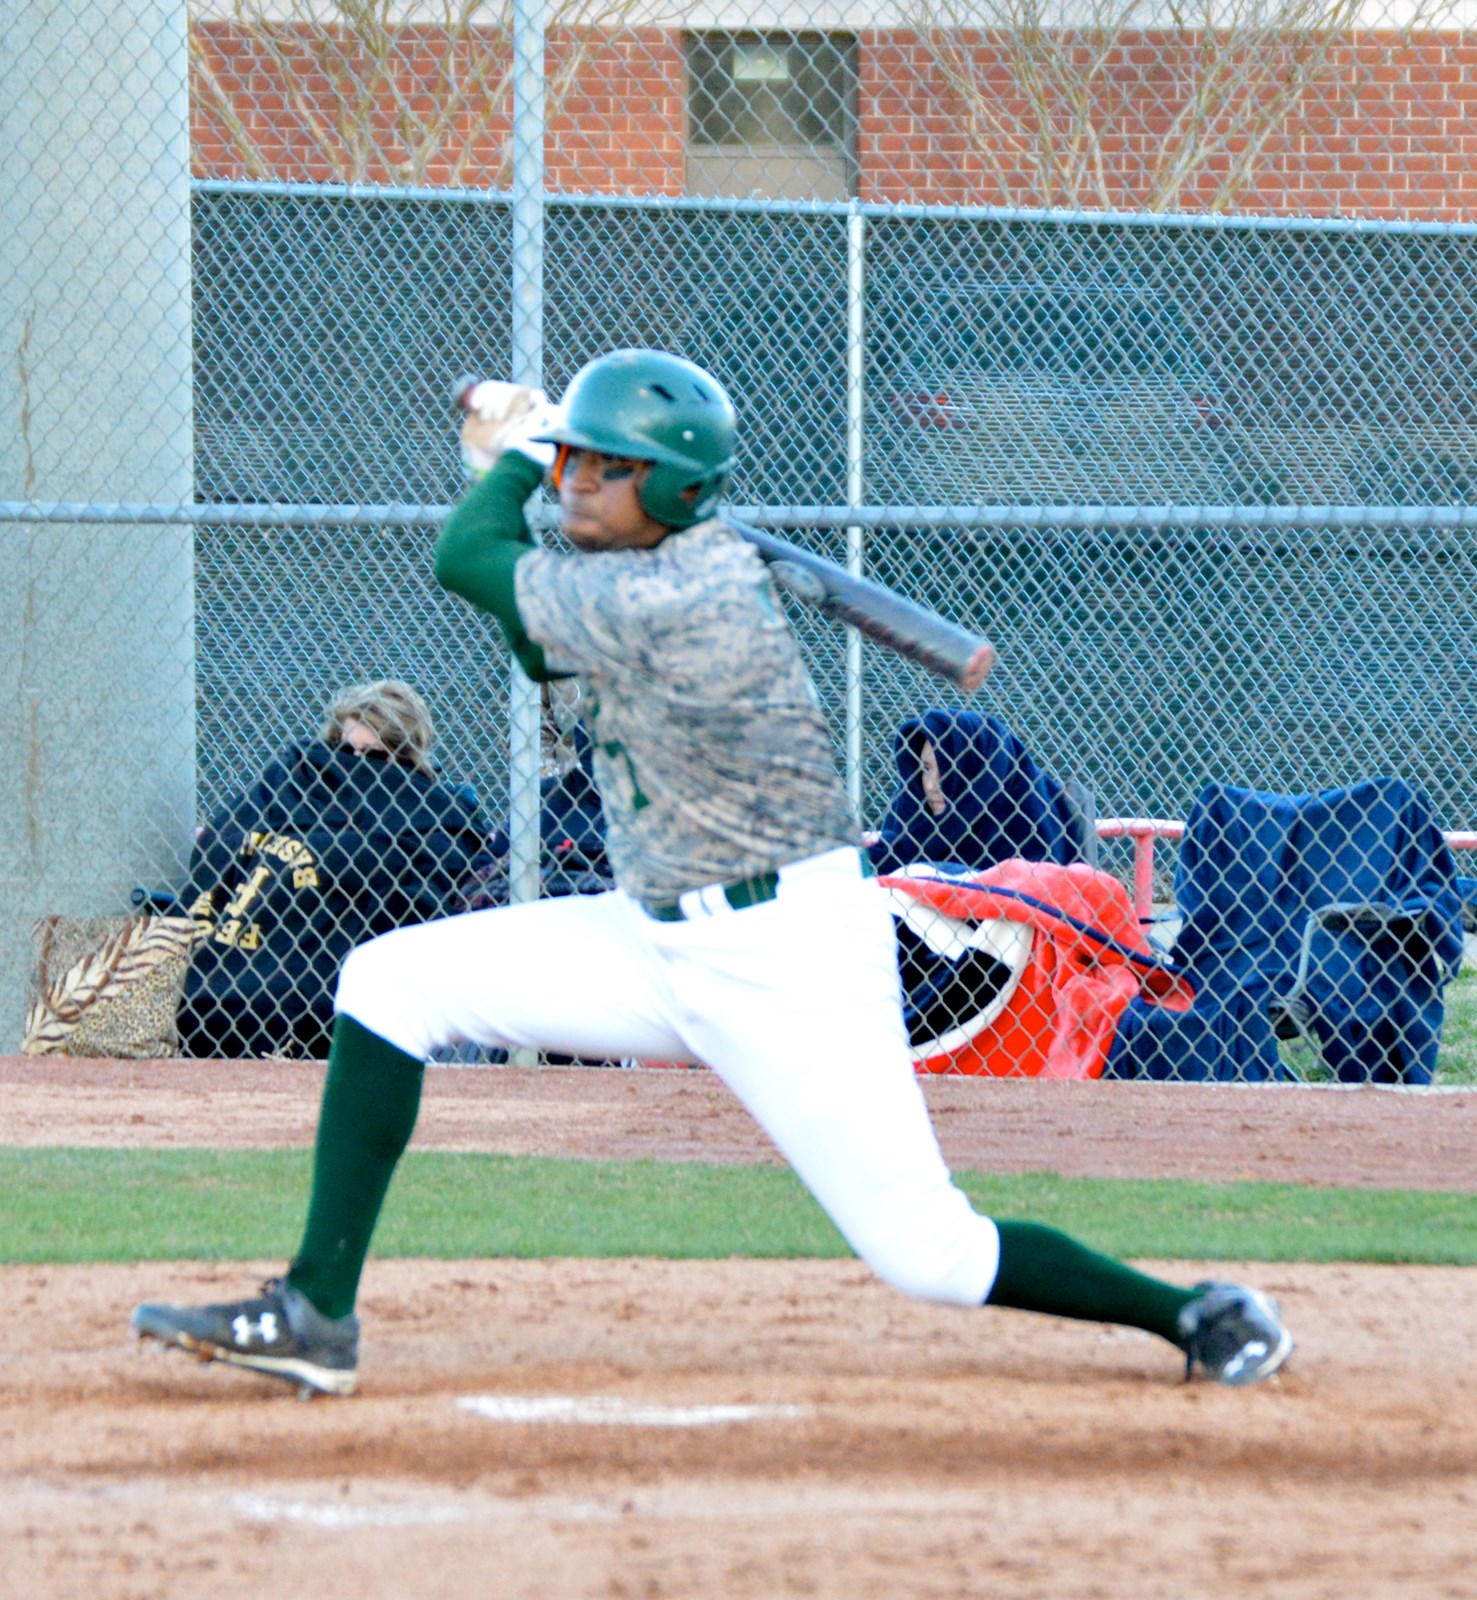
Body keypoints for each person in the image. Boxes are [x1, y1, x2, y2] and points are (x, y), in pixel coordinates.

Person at [131, 349, 1292, 1397]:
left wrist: (523, 454)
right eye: (579, 461)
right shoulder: (664, 568)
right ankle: (314, 1311)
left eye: (606, 467)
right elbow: (535, 636)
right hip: (650, 934)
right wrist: (554, 459)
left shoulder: (684, 593)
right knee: (389, 981)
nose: (580, 484)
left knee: (929, 1253)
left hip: (785, 956)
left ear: (677, 491)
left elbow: (465, 555)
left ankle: (1191, 1312)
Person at [174, 679, 494, 1061]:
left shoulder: (433, 818)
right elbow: (222, 842)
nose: (355, 768)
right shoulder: (292, 783)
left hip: (298, 1002)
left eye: (374, 757)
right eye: (344, 751)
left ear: (406, 759)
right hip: (216, 981)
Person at [868, 708, 1083, 876]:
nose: (932, 785)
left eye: (946, 768)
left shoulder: (1025, 829)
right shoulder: (909, 823)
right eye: (926, 769)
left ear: (973, 771)